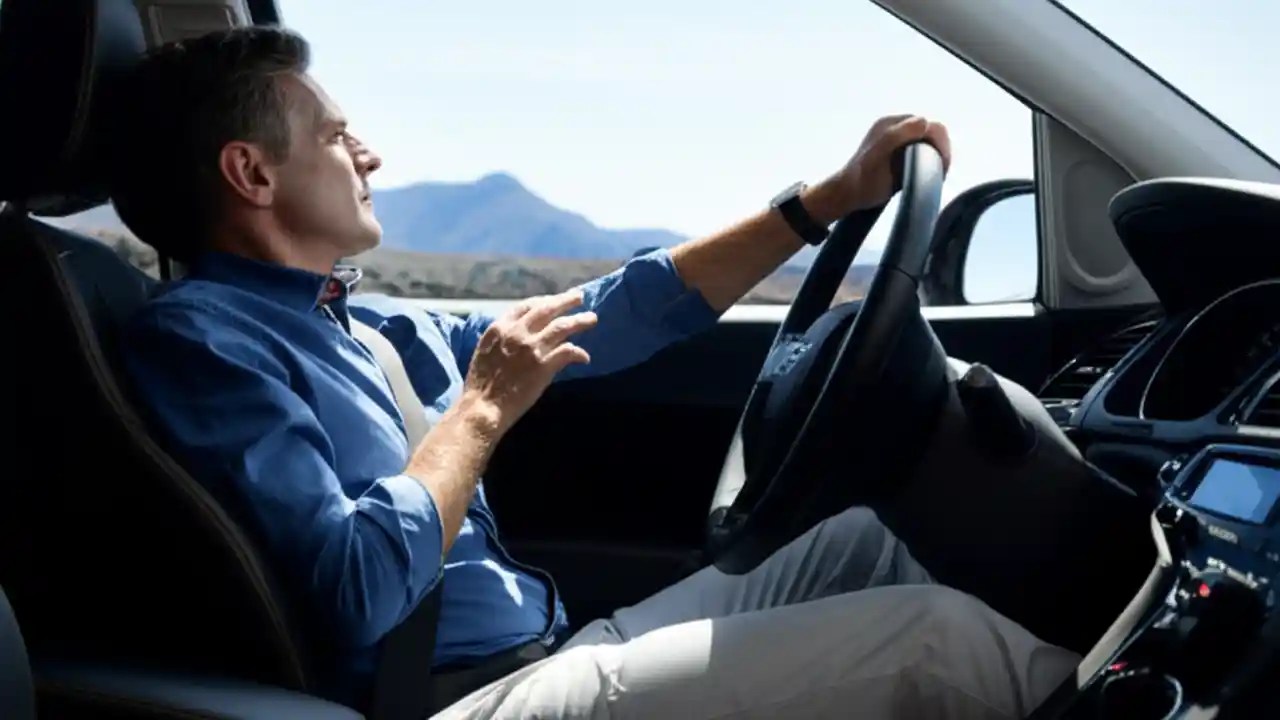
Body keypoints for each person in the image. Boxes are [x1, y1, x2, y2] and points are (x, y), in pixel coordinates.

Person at [109, 25, 1079, 719]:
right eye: (333, 135)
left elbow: (619, 312)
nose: (368, 153)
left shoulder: (374, 324)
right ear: (252, 175)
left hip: (556, 649)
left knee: (872, 541)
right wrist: (484, 408)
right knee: (936, 647)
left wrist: (821, 202)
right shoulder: (206, 346)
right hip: (464, 699)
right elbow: (353, 588)